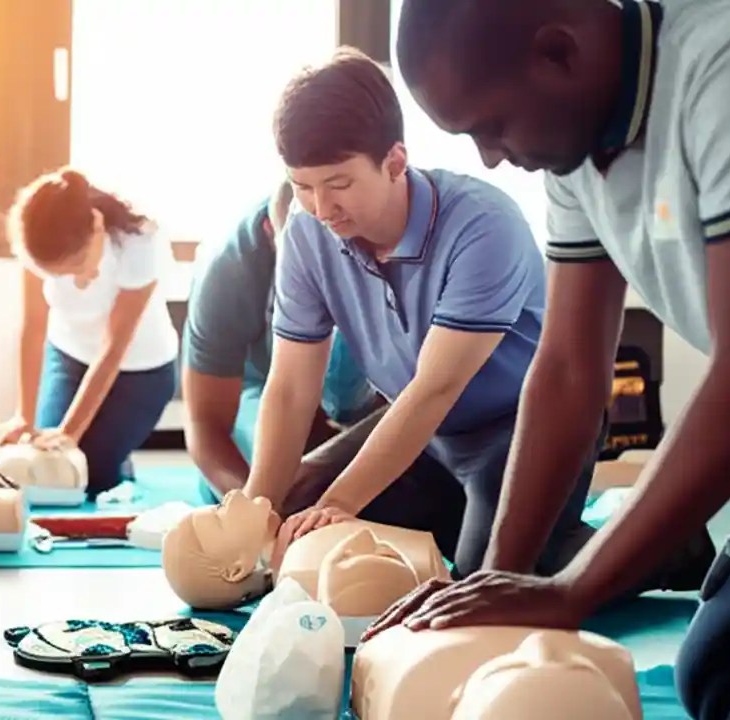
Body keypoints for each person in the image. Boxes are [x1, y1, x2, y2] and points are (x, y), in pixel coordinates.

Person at [373, 1, 730, 718]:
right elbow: (570, 369)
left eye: (488, 126)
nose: (487, 156)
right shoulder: (573, 145)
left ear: (559, 54)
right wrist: (492, 581)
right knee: (718, 673)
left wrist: (574, 590)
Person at [237, 46, 599, 577]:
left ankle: (663, 548)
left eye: (338, 184)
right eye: (303, 186)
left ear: (395, 163)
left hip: (522, 424)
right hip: (425, 433)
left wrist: (337, 507)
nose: (320, 208)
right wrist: (256, 516)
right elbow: (291, 388)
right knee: (289, 513)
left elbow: (435, 388)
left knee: (487, 581)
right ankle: (471, 520)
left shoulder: (483, 225)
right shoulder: (307, 232)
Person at [182, 180, 413, 513]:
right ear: (269, 234)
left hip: (354, 402)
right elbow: (205, 421)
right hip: (259, 387)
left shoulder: (385, 249)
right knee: (277, 477)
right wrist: (251, 511)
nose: (317, 266)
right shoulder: (228, 272)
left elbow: (422, 398)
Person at [0, 168, 178, 498]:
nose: (76, 279)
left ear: (96, 227)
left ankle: (118, 461)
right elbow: (34, 328)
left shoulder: (138, 242)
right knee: (45, 470)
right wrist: (25, 418)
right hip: (69, 355)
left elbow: (113, 347)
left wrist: (69, 435)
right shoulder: (36, 238)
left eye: (77, 267)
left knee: (89, 474)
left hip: (141, 370)